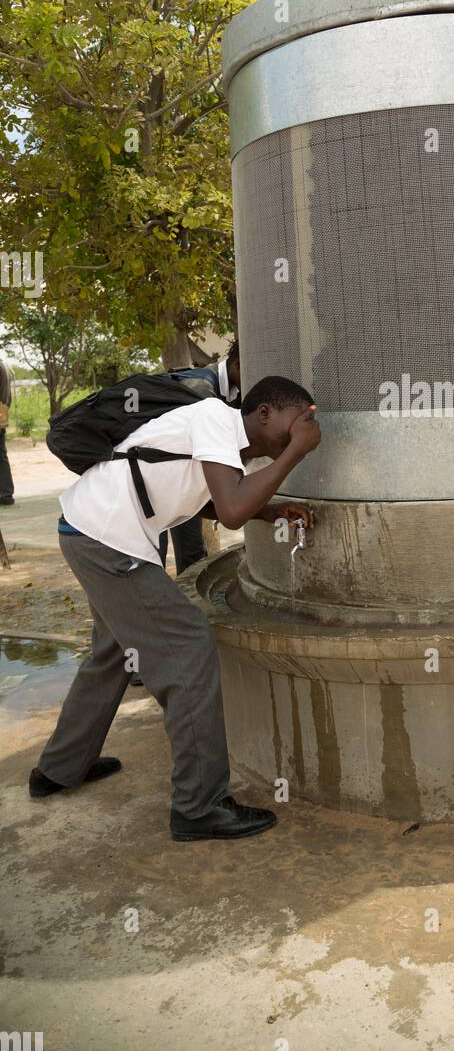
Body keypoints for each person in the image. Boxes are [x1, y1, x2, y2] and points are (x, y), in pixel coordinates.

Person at [29, 376, 320, 842]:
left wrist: (269, 511)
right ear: (264, 412)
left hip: (88, 531)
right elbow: (229, 510)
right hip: (106, 541)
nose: (305, 427)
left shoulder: (218, 435)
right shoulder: (214, 418)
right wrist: (296, 452)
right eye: (298, 419)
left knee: (113, 655)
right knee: (187, 648)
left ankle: (59, 769)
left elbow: (197, 496)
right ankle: (199, 805)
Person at [159, 340, 242, 574]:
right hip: (160, 479)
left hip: (183, 484)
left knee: (192, 554)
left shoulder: (232, 391)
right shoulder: (201, 388)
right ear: (237, 364)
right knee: (153, 559)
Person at [0, 352, 14, 505]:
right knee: (1, 455)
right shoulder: (4, 366)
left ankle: (6, 493)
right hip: (2, 414)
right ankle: (6, 493)